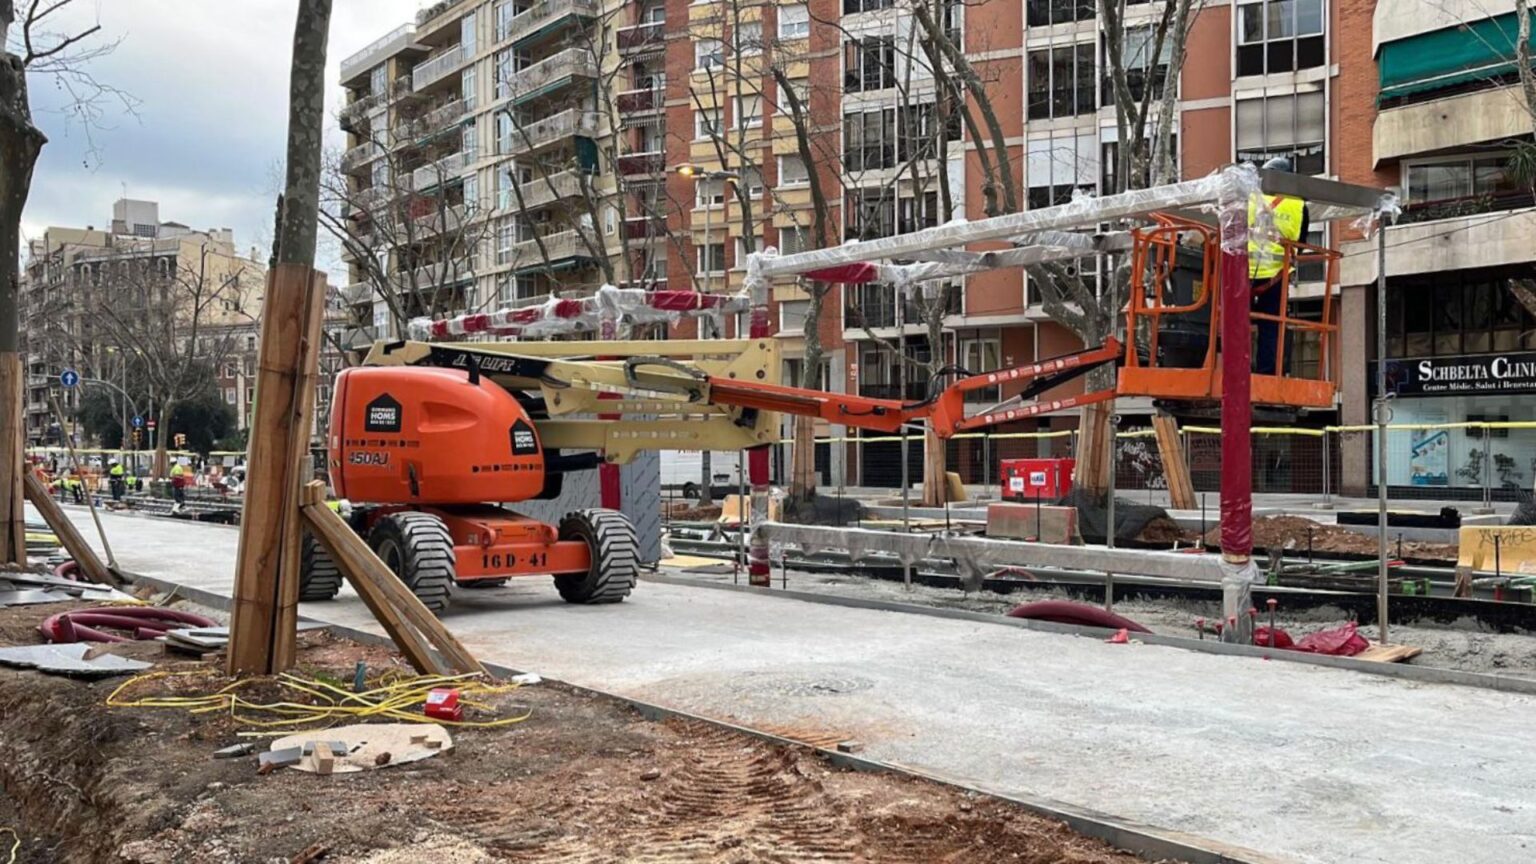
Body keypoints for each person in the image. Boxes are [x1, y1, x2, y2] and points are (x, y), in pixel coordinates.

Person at [1249, 156, 1310, 376]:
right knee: (1272, 325)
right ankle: (1267, 373)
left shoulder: (1251, 198)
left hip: (1244, 270)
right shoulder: (1299, 204)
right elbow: (1301, 242)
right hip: (1277, 274)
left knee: (1235, 321)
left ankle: (1235, 367)